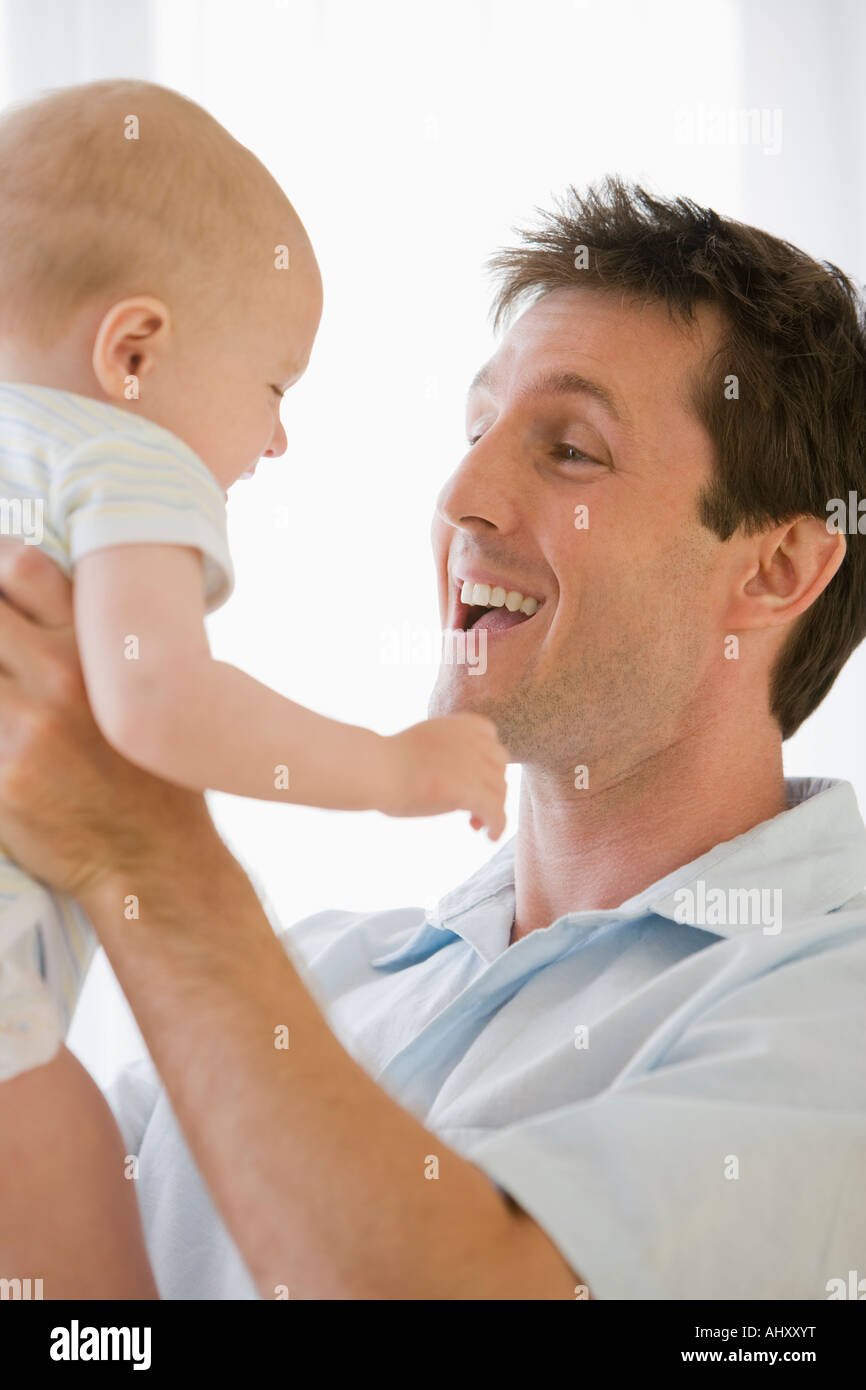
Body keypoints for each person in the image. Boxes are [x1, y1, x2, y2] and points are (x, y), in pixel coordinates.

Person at [0, 179, 864, 1299]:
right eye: (472, 430)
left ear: (775, 568)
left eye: (568, 450)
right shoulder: (312, 981)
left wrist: (145, 847)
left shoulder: (826, 1009)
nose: (460, 493)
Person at [0, 78, 506, 1299]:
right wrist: (396, 768)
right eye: (276, 384)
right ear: (136, 350)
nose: (276, 441)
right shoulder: (121, 450)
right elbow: (153, 702)